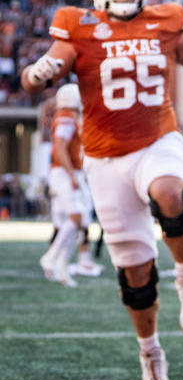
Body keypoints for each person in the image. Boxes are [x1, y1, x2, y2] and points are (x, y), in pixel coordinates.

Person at [21, 0, 183, 380]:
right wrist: (35, 72)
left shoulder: (167, 20)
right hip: (104, 158)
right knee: (136, 272)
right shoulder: (77, 24)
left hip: (157, 139)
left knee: (170, 192)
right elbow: (43, 72)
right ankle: (150, 353)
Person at [39, 83, 102, 287]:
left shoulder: (71, 117)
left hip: (71, 172)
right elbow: (60, 147)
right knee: (76, 217)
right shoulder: (66, 116)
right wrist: (71, 175)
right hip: (66, 172)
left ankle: (61, 266)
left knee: (81, 220)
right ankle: (51, 257)